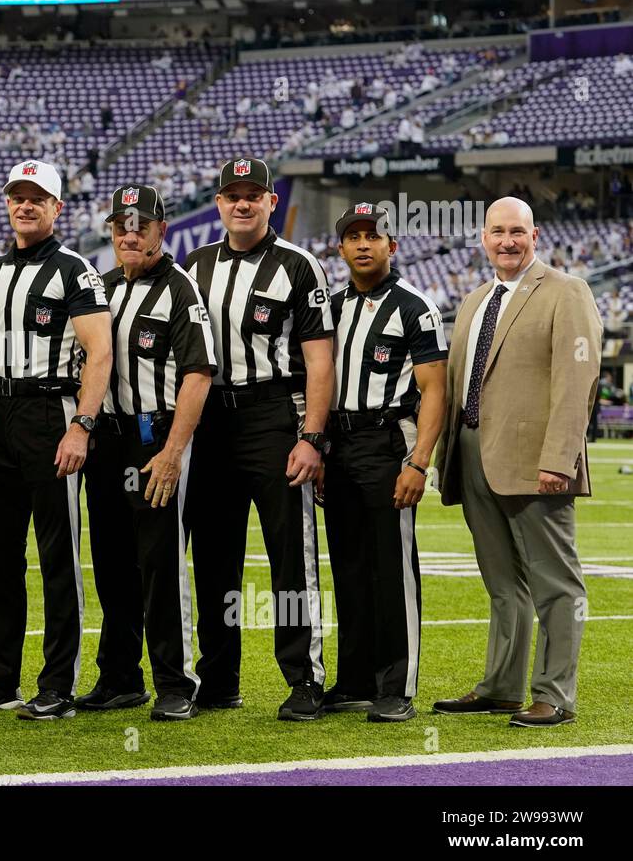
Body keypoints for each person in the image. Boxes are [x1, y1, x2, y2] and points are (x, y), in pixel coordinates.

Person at [0, 158, 112, 721]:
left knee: (57, 555)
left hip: (51, 412)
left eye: (37, 198)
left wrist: (81, 424)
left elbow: (100, 351)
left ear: (56, 208)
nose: (25, 205)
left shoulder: (75, 270)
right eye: (18, 196)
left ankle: (58, 684)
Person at [432, 197, 602, 727]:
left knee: (556, 583)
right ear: (483, 237)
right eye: (497, 231)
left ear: (535, 235)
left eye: (517, 232)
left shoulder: (566, 291)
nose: (507, 241)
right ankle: (502, 686)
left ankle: (555, 693)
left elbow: (578, 382)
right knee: (503, 584)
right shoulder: (475, 299)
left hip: (535, 460)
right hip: (472, 451)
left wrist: (560, 457)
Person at [182, 157, 335, 721]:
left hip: (273, 414)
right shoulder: (194, 265)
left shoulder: (298, 266)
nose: (242, 204)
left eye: (254, 194)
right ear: (218, 204)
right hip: (211, 422)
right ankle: (218, 678)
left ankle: (303, 679)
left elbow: (321, 363)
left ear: (272, 202)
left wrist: (311, 436)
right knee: (214, 557)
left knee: (290, 555)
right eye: (232, 195)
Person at [80, 184, 216, 721]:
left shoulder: (180, 288)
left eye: (141, 225)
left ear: (163, 229)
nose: (130, 233)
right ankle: (119, 677)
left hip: (151, 437)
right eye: (121, 226)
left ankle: (176, 681)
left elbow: (198, 374)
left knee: (160, 564)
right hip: (107, 440)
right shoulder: (102, 287)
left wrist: (172, 450)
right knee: (112, 562)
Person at [322, 202, 447, 723]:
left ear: (392, 246)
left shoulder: (416, 306)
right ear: (342, 247)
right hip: (339, 443)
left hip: (386, 440)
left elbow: (435, 389)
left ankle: (398, 685)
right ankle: (353, 679)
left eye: (374, 236)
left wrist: (418, 463)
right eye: (354, 236)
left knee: (393, 568)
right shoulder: (329, 305)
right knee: (348, 567)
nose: (364, 244)